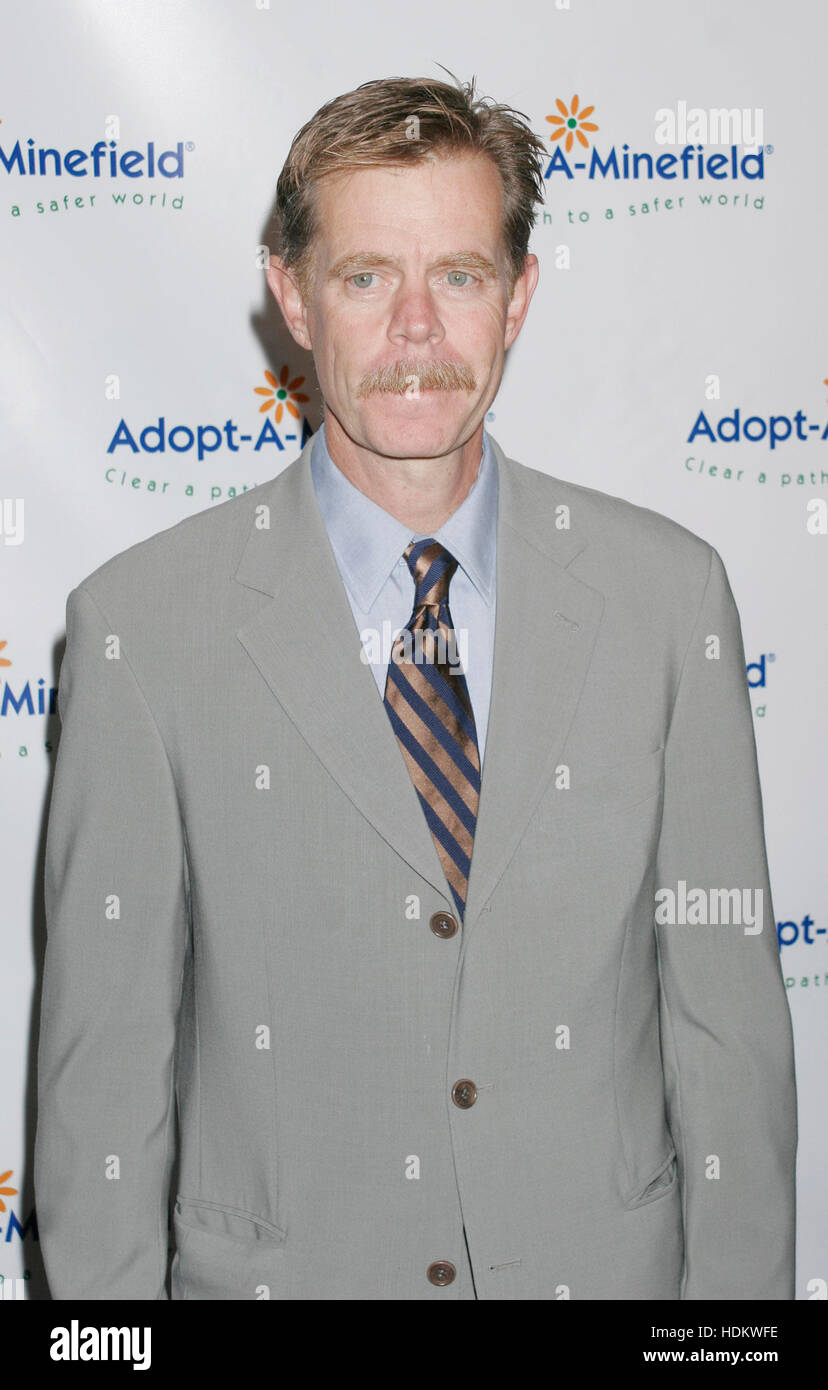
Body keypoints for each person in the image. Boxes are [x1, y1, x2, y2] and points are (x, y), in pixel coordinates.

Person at [35, 73, 796, 1301]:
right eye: (366, 276)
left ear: (520, 297)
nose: (416, 334)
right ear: (291, 293)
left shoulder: (671, 604)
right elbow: (100, 1088)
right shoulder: (140, 632)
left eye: (460, 275)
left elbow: (730, 1043)